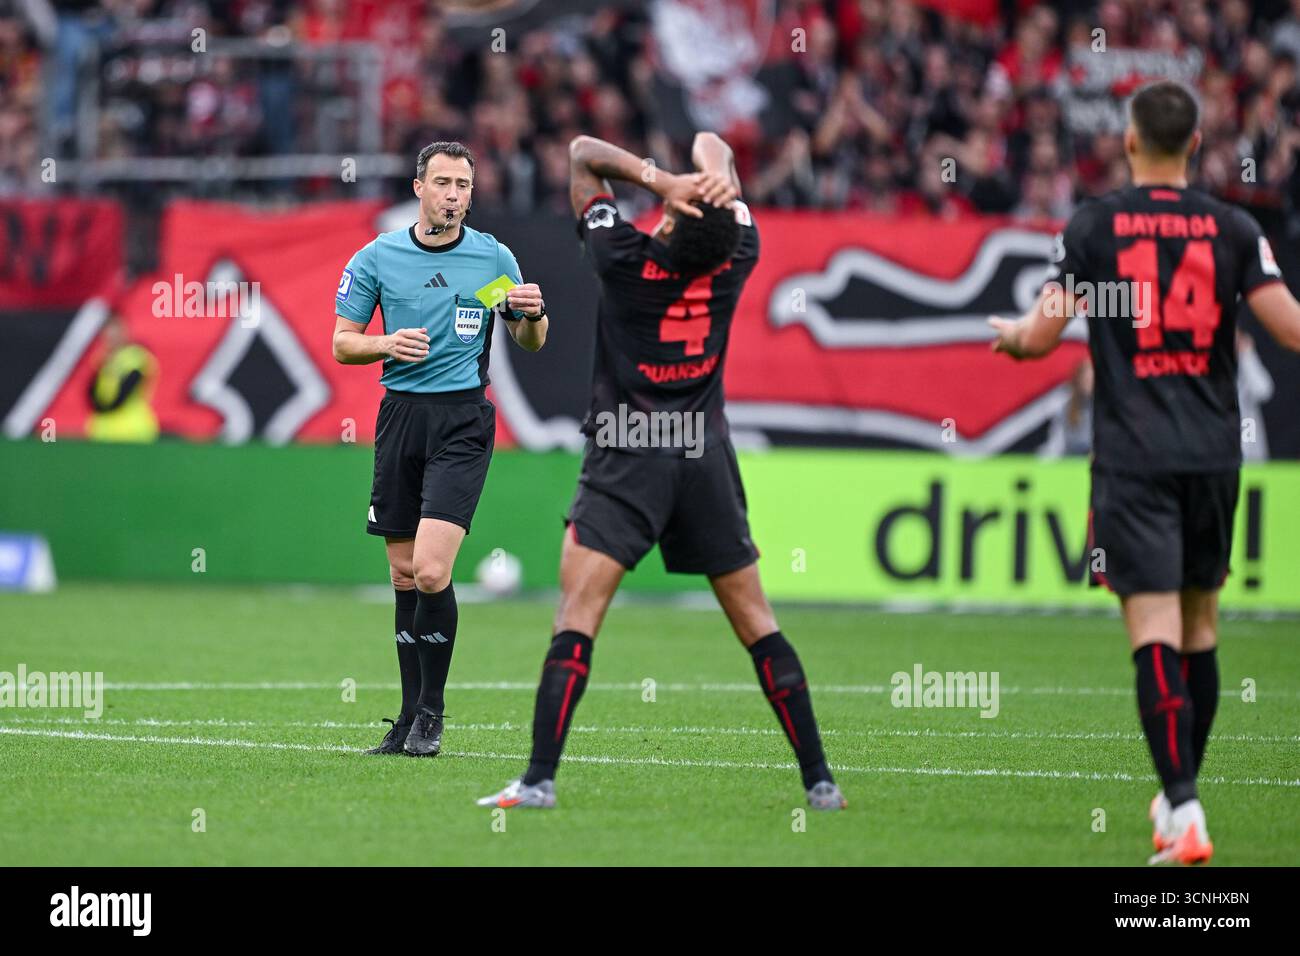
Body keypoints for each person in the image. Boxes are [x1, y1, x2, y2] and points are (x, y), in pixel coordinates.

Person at [476, 132, 845, 811]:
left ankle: (537, 781)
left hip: (627, 453)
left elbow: (583, 154)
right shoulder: (739, 253)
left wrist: (659, 178)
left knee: (578, 614)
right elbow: (714, 145)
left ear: (671, 221)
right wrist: (705, 178)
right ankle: (820, 781)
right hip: (703, 456)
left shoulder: (621, 255)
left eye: (670, 211)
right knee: (757, 620)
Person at [989, 80, 1300, 864]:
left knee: (1154, 629)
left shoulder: (1094, 227)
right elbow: (1291, 329)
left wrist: (1014, 335)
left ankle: (1186, 810)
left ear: (1130, 143)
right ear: (1195, 144)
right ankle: (1176, 797)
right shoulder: (1233, 228)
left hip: (1134, 456)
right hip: (1212, 454)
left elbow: (1039, 338)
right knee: (1201, 629)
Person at [333, 141, 550, 757]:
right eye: (444, 183)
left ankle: (432, 711)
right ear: (419, 187)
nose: (455, 194)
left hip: (461, 421)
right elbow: (343, 344)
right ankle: (405, 718)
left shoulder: (491, 258)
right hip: (400, 416)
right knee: (402, 574)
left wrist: (531, 314)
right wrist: (385, 344)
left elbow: (528, 338)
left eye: (464, 185)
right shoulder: (379, 256)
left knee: (431, 568)